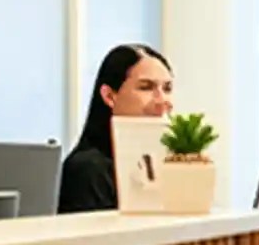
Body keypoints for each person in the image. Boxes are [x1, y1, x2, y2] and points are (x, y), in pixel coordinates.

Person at [58, 43, 174, 213]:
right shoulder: (88, 170)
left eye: (167, 88)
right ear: (109, 96)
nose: (162, 101)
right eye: (146, 87)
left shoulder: (164, 164)